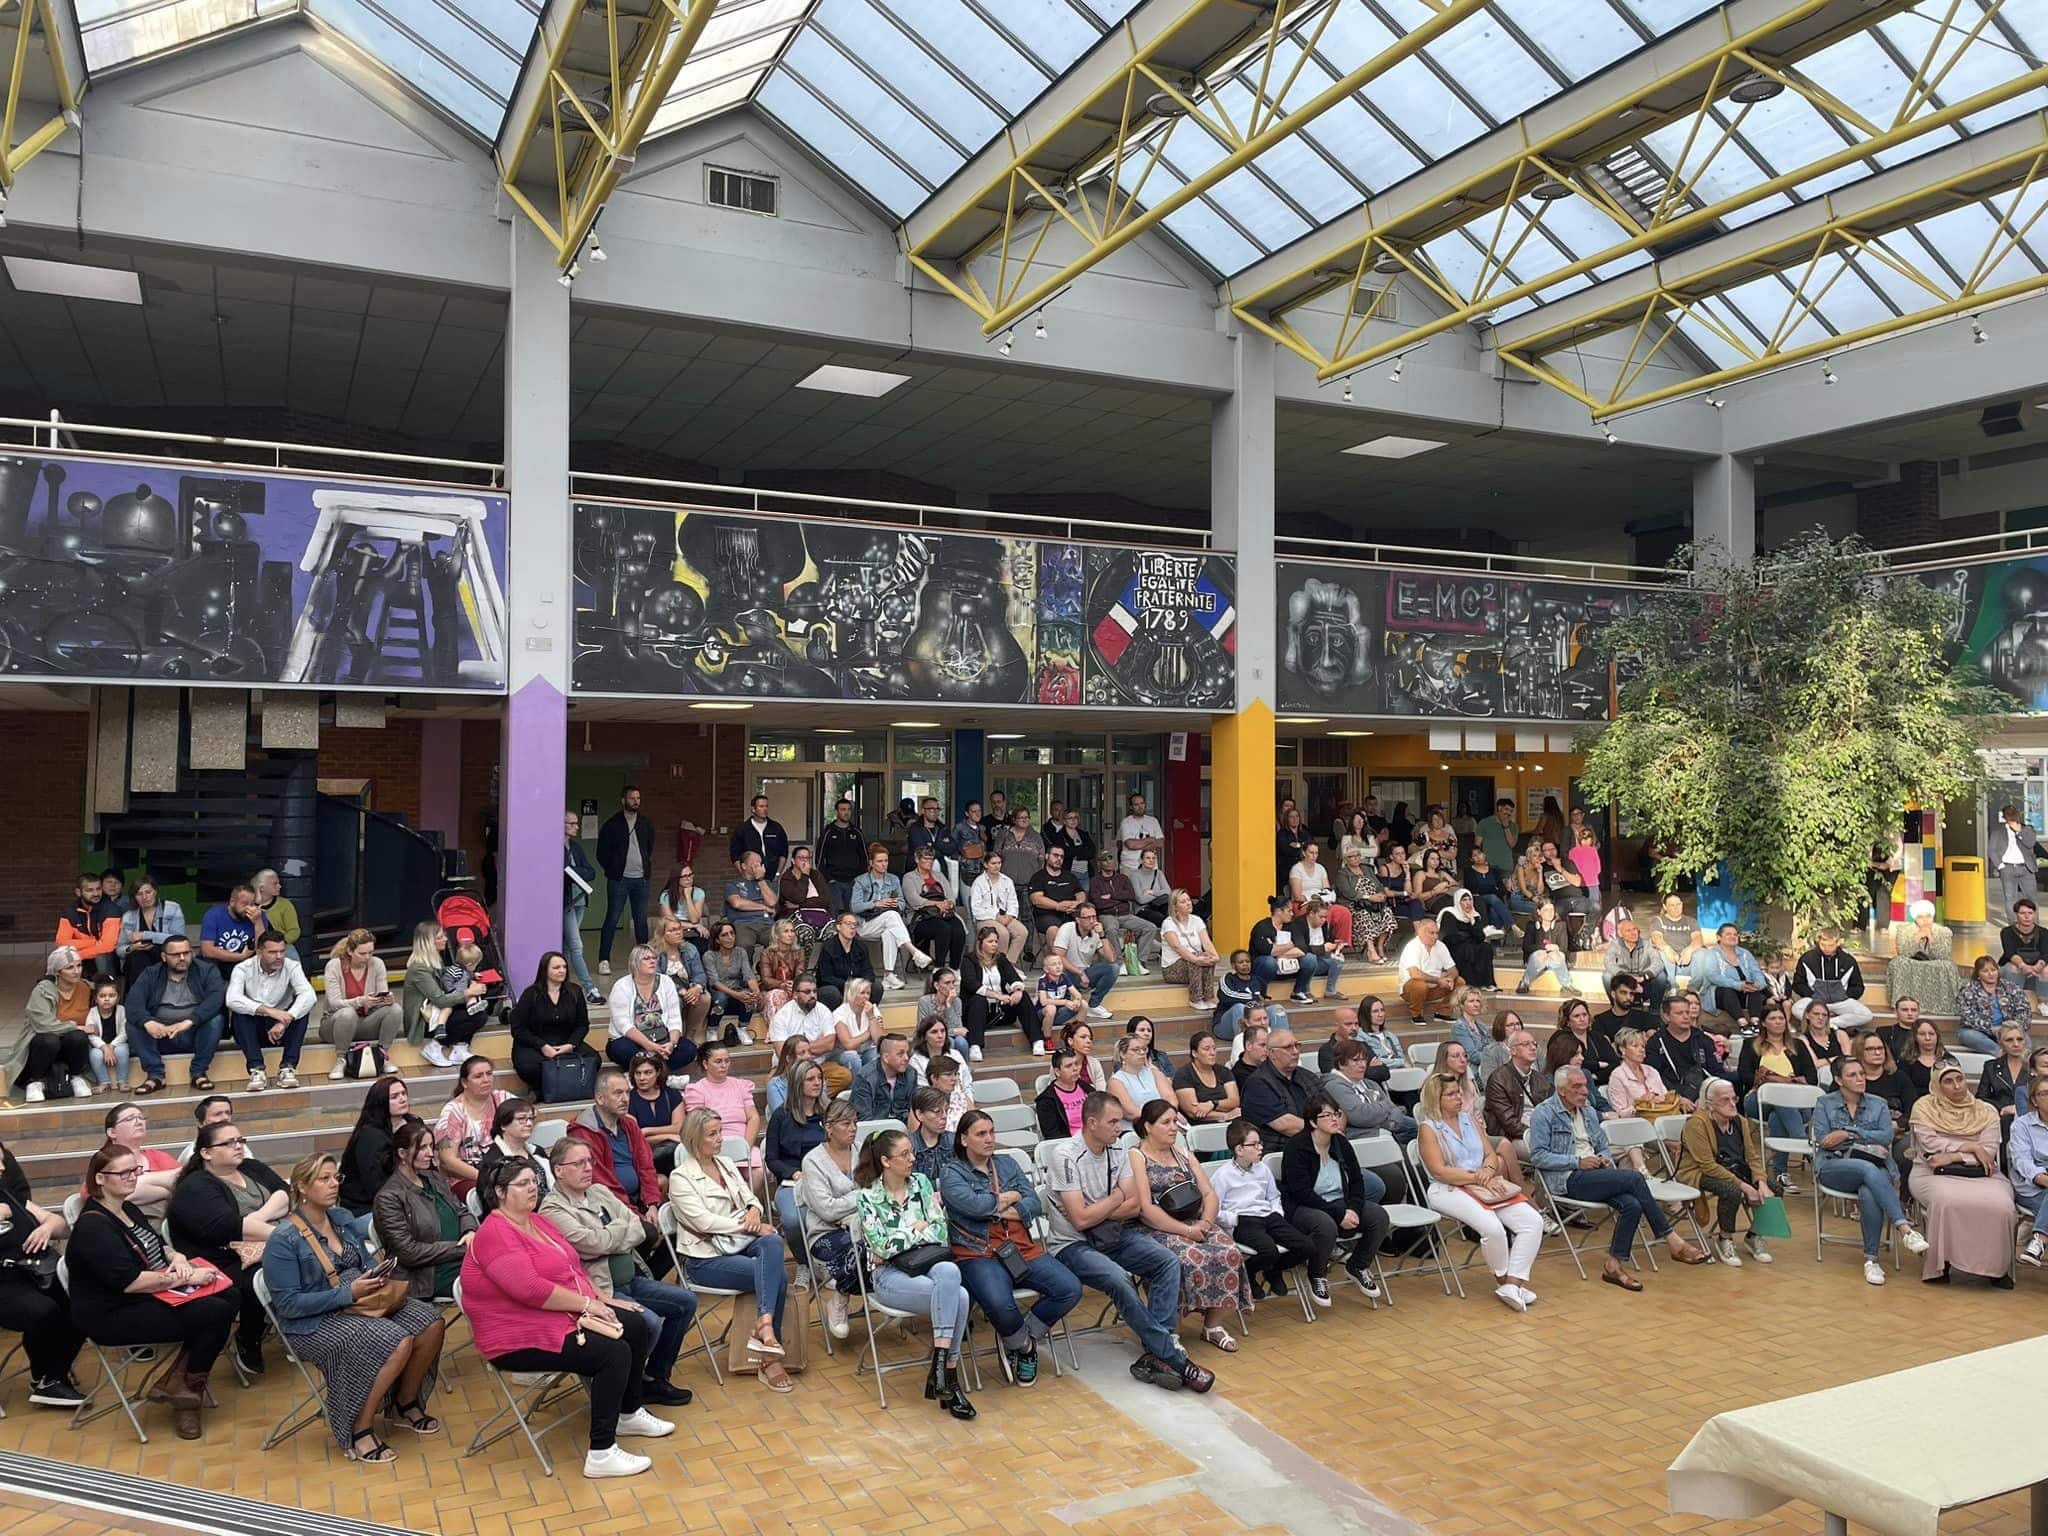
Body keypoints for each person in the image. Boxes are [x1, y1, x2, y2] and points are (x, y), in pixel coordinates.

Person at [461, 1159, 672, 1477]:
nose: (533, 1188)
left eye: (534, 1180)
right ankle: (601, 1453)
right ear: (500, 1192)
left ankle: (628, 1413)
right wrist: (588, 1304)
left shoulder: (537, 1222)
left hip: (553, 1314)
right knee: (613, 1353)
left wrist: (603, 1300)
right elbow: (530, 1289)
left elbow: (572, 1269)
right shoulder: (495, 1233)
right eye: (523, 1183)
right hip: (514, 1336)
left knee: (635, 1323)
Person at [262, 1151, 448, 1462]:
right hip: (314, 1320)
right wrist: (349, 1293)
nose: (334, 1184)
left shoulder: (342, 1219)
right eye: (324, 1179)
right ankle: (359, 1429)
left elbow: (362, 1261)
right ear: (302, 1187)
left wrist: (376, 1274)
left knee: (431, 1323)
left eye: (337, 1177)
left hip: (361, 1299)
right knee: (395, 1341)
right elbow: (289, 1305)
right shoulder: (284, 1238)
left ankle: (403, 1403)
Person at [68, 1143, 241, 1439]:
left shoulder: (127, 1208)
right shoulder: (94, 1226)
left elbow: (156, 1245)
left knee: (230, 1294)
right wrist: (186, 1279)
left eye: (134, 1171)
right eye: (122, 1173)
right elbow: (131, 1282)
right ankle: (187, 1397)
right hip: (111, 1313)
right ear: (99, 1178)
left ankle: (180, 1385)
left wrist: (177, 1258)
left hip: (146, 1295)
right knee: (215, 1311)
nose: (132, 1177)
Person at [1045, 1093, 1213, 1393]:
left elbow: (1135, 1206)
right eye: (1112, 1122)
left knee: (1166, 1261)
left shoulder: (1118, 1149)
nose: (1119, 1128)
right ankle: (1173, 1358)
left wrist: (1099, 1206)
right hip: (1072, 1245)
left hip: (1113, 1234)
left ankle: (1157, 1354)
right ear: (1091, 1122)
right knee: (1120, 1280)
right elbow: (1080, 1222)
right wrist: (1116, 1199)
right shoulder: (1065, 1155)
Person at [541, 1138, 699, 1408]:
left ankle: (654, 1377)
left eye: (590, 1161)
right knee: (648, 1323)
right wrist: (616, 1232)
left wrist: (608, 1236)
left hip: (633, 1279)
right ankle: (628, 1387)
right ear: (559, 1170)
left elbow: (637, 1229)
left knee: (685, 1302)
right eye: (579, 1163)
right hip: (602, 1290)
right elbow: (592, 1244)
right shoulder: (553, 1209)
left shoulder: (600, 1191)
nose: (588, 1168)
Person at [1527, 1067, 1705, 1288]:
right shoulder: (1544, 1113)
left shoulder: (1589, 1112)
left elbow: (1603, 1146)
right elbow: (1538, 1156)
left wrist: (1602, 1158)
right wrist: (1577, 1162)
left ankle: (1614, 1265)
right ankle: (1672, 1239)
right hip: (1567, 1179)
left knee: (1632, 1204)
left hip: (1598, 1175)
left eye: (1585, 1085)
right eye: (1577, 1087)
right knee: (1633, 1178)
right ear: (1561, 1090)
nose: (1584, 1091)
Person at [939, 1110, 1078, 1385]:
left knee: (1069, 1288)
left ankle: (1020, 1337)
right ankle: (1025, 1348)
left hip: (1019, 1247)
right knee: (1001, 1305)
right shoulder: (951, 1172)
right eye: (981, 1134)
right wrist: (1010, 1198)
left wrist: (995, 1205)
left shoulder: (1008, 1165)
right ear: (964, 1139)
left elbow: (1035, 1204)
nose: (990, 1139)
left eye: (992, 1132)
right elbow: (976, 1208)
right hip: (977, 1253)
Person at [851, 1129, 975, 1418]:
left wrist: (902, 1236)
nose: (912, 1158)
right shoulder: (867, 1197)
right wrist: (916, 1229)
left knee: (949, 1270)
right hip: (888, 1276)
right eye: (904, 1154)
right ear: (885, 1160)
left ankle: (942, 1369)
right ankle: (948, 1376)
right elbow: (881, 1246)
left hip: (927, 1264)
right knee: (960, 1296)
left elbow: (940, 1231)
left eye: (911, 1152)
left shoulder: (920, 1183)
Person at [668, 1109, 792, 1392]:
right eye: (712, 1134)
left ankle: (764, 1325)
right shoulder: (680, 1177)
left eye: (720, 1131)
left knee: (773, 1244)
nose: (721, 1139)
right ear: (694, 1138)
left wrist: (753, 1211)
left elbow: (752, 1198)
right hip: (705, 1259)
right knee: (777, 1275)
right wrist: (749, 1226)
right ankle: (770, 1357)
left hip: (739, 1245)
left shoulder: (724, 1163)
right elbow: (704, 1221)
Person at [167, 1117, 289, 1377]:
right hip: (220, 1260)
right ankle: (248, 1337)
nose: (238, 1146)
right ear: (206, 1153)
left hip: (262, 1240)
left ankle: (296, 1325)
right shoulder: (197, 1185)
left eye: (240, 1140)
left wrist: (259, 1218)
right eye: (229, 1142)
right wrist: (287, 1238)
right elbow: (230, 1228)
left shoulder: (251, 1167)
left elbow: (284, 1192)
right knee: (268, 1273)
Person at [1417, 1070, 1545, 1312]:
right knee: (1493, 1227)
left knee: (1532, 1220)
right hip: (1448, 1188)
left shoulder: (1469, 1119)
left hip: (1484, 1182)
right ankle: (1504, 1279)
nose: (1459, 1098)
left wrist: (1487, 1169)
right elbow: (1439, 1171)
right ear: (1437, 1099)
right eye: (1451, 1094)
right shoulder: (1429, 1128)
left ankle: (1513, 1283)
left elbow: (1490, 1154)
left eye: (1459, 1092)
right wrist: (1477, 1176)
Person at [1130, 1101, 1252, 1348]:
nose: (1174, 1128)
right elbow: (1145, 1208)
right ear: (1148, 1127)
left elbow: (1209, 1194)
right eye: (1166, 1122)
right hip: (1157, 1226)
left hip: (1196, 1221)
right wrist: (1186, 1231)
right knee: (1183, 1259)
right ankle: (1172, 1329)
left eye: (1175, 1121)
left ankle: (1213, 1325)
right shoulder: (1137, 1155)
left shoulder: (1183, 1153)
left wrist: (1206, 1223)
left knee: (1229, 1252)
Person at [1809, 1058, 1929, 1286]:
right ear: (1838, 1080)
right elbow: (1824, 1140)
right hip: (1834, 1166)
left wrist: (1847, 1133)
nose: (1860, 1078)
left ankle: (1871, 1261)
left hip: (1874, 1165)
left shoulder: (1878, 1103)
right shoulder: (1824, 1103)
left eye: (1861, 1074)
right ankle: (1905, 1229)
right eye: (1852, 1075)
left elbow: (1886, 1137)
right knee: (1867, 1169)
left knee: (1869, 1191)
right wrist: (1863, 1135)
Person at [1907, 1062, 2016, 1286]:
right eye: (1948, 1081)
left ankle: (1996, 1268)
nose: (1957, 1086)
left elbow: (1989, 1151)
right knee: (1947, 1201)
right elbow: (1930, 1147)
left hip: (1984, 1173)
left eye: (1960, 1079)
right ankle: (1942, 1264)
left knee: (2002, 1204)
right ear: (1937, 1085)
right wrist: (1971, 1148)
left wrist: (1954, 1156)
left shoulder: (1985, 1110)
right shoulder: (1924, 1107)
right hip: (1932, 1173)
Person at [1277, 1091, 1390, 1306]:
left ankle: (1357, 1265)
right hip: (1304, 1206)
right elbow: (1301, 1192)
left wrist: (1354, 1209)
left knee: (1378, 1216)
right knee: (1326, 1225)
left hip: (1340, 1202)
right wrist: (1340, 1213)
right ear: (1312, 1121)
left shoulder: (1340, 1143)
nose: (1334, 1119)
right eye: (1327, 1115)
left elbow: (1357, 1181)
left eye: (1336, 1114)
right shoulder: (1296, 1148)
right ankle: (1317, 1274)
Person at [0, 1133, 85, 1408]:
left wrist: (46, 1227)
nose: (3, 1168)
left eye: (3, 1161)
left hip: (36, 1272)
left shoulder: (8, 1195)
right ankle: (45, 1376)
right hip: (5, 1282)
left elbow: (60, 1225)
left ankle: (51, 1377)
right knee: (43, 1311)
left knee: (86, 1304)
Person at [1208, 1121, 1314, 1300]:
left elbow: (1273, 1196)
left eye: (1260, 1143)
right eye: (1254, 1144)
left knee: (1306, 1246)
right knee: (1269, 1251)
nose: (1260, 1148)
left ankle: (1273, 1270)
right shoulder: (1223, 1175)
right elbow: (1214, 1210)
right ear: (1239, 1149)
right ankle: (1249, 1273)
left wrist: (1277, 1213)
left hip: (1268, 1216)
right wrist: (1235, 1219)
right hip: (1244, 1220)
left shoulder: (1262, 1168)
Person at [1734, 1002, 1823, 1189]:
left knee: (1778, 1116)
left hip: (1797, 1105)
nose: (1778, 1022)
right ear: (1764, 1023)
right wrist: (1776, 1081)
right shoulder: (1751, 1044)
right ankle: (1802, 1141)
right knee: (1780, 1100)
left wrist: (1784, 1081)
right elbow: (1744, 1076)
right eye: (1772, 1019)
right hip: (1758, 1101)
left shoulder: (1797, 1045)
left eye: (1781, 1018)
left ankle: (1780, 1173)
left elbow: (1813, 1077)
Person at [796, 1097, 862, 1340]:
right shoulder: (813, 1161)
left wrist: (859, 1200)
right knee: (860, 1251)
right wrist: (860, 1197)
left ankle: (844, 1292)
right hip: (825, 1234)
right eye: (846, 1123)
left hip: (862, 1227)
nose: (853, 1128)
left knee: (884, 1246)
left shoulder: (861, 1151)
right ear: (828, 1127)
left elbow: (878, 1192)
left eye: (855, 1122)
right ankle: (840, 1300)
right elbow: (827, 1211)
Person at [223, 932, 315, 1093]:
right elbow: (232, 999)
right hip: (253, 1029)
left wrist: (286, 1019)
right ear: (259, 952)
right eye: (272, 952)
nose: (279, 956)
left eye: (282, 951)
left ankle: (288, 1068)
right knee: (241, 1013)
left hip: (282, 1028)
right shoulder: (243, 968)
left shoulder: (291, 965)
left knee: (302, 1010)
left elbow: (309, 995)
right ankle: (256, 1070)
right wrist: (269, 1011)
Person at [8, 946, 96, 1103]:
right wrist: (75, 1026)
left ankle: (75, 1077)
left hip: (69, 1045)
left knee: (78, 1037)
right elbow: (43, 1025)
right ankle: (35, 1081)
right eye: (70, 967)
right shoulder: (43, 990)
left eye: (79, 965)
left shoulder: (86, 987)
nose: (76, 971)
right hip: (43, 1047)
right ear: (57, 972)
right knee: (50, 1040)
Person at [509, 951, 600, 1100]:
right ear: (545, 970)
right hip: (535, 1044)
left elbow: (582, 1025)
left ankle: (567, 1087)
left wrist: (571, 1045)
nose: (562, 970)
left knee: (594, 1059)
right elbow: (518, 1029)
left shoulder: (575, 992)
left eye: (564, 967)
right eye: (556, 967)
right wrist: (542, 1046)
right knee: (529, 1066)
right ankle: (542, 1090)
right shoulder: (530, 994)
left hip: (566, 1042)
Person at [401, 921, 488, 1068]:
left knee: (479, 1014)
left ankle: (460, 1048)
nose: (446, 939)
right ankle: (434, 1046)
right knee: (468, 1016)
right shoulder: (418, 969)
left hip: (438, 1013)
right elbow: (440, 1000)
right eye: (440, 937)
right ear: (429, 942)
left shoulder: (435, 961)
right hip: (424, 1021)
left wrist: (470, 977)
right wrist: (468, 992)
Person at [321, 929, 401, 1082]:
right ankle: (341, 1059)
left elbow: (381, 994)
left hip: (365, 1021)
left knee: (395, 1010)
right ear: (350, 951)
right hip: (334, 1024)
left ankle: (382, 1055)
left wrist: (385, 1000)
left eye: (370, 952)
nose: (367, 957)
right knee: (347, 1013)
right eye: (362, 953)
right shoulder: (334, 966)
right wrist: (360, 1001)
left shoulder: (377, 964)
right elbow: (334, 1003)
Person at [605, 943, 693, 1078]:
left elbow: (675, 1018)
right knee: (621, 1049)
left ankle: (648, 1074)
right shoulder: (621, 986)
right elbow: (623, 1024)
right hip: (634, 1041)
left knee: (689, 1049)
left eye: (654, 958)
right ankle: (662, 1076)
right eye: (646, 959)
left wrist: (672, 1043)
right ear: (635, 963)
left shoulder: (666, 981)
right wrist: (649, 1046)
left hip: (662, 1039)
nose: (652, 961)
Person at [595, 786, 655, 975]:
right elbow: (601, 853)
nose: (636, 801)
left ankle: (644, 959)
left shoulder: (645, 823)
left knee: (641, 920)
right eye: (631, 798)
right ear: (623, 801)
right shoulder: (612, 824)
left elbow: (649, 846)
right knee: (612, 918)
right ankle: (604, 959)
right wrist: (613, 870)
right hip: (619, 879)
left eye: (638, 798)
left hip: (641, 879)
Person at [853, 844, 927, 991]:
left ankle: (889, 975)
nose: (884, 864)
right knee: (892, 917)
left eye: (886, 861)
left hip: (886, 922)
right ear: (871, 863)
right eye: (880, 861)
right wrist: (876, 903)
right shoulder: (861, 881)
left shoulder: (893, 879)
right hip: (865, 925)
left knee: (890, 931)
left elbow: (901, 902)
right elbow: (855, 906)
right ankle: (914, 952)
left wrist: (893, 903)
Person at [435, 1055, 510, 1199]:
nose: (486, 1080)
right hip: (466, 1178)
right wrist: (486, 1178)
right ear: (464, 1082)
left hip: (504, 1170)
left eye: (489, 1074)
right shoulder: (453, 1112)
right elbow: (447, 1160)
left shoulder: (502, 1098)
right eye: (478, 1076)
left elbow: (530, 1112)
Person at [1250, 896, 1340, 1007]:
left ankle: (1298, 992)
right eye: (1289, 911)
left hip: (1288, 965)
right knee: (1269, 961)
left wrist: (1277, 949)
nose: (1292, 914)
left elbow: (1302, 949)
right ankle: (1258, 993)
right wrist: (1288, 946)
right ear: (1279, 911)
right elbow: (1266, 950)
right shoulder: (1262, 927)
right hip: (1266, 967)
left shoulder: (1291, 926)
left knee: (1310, 958)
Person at [1239, 1029, 1322, 1142]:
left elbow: (1334, 1109)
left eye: (1297, 1045)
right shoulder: (1257, 1084)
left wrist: (1331, 1127)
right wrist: (1325, 1130)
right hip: (1279, 1149)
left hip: (1318, 1142)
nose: (1295, 1051)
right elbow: (1287, 1126)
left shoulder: (1308, 1076)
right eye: (1288, 1047)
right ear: (1272, 1053)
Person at [961, 925, 1031, 1060]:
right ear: (980, 943)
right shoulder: (968, 960)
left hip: (1000, 1011)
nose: (994, 945)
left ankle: (1037, 1040)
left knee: (1024, 996)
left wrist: (1017, 990)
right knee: (978, 999)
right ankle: (975, 1046)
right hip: (978, 1012)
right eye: (990, 941)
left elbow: (1013, 976)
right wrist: (997, 995)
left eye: (996, 941)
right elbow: (971, 984)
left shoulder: (1001, 958)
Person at [1791, 928, 1873, 1034]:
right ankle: (1830, 1025)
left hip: (1841, 1002)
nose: (1826, 949)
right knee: (1796, 1009)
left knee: (1866, 1015)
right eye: (1823, 945)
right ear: (1818, 942)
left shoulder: (1848, 961)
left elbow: (1858, 987)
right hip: (1815, 1000)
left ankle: (1829, 1023)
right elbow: (1798, 984)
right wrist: (1812, 994)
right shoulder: (1807, 959)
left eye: (1830, 945)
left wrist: (1845, 995)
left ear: (1838, 943)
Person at [1886, 900, 1958, 1019]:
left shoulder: (1943, 931)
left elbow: (1943, 955)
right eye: (1921, 917)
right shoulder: (1904, 930)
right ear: (1915, 918)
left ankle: (1943, 1006)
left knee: (1948, 966)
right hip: (1912, 962)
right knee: (1897, 963)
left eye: (1928, 916)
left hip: (1934, 962)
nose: (1925, 920)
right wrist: (1917, 937)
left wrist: (1931, 938)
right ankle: (1902, 1004)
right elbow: (1903, 953)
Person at [902, 845, 968, 972]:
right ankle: (939, 968)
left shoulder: (939, 875)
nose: (929, 862)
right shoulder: (909, 877)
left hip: (944, 913)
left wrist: (948, 905)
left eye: (931, 859)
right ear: (917, 860)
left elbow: (950, 896)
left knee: (958, 929)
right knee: (943, 929)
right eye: (925, 859)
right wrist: (936, 904)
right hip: (921, 917)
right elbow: (915, 901)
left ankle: (955, 969)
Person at [476, 1098, 552, 1206]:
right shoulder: (493, 1161)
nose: (529, 1123)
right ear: (503, 1125)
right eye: (522, 1119)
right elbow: (490, 1203)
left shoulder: (538, 1151)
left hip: (549, 1209)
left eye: (531, 1118)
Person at [1092, 852, 1162, 968]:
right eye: (1105, 860)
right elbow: (1098, 903)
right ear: (1100, 863)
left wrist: (1111, 895)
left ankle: (1140, 961)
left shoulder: (1122, 878)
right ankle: (1119, 962)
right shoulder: (1095, 881)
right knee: (1111, 930)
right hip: (1107, 915)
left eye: (1111, 859)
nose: (1109, 862)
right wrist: (1119, 899)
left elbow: (1130, 895)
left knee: (1150, 927)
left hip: (1126, 914)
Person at [650, 914, 714, 1042]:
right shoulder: (654, 951)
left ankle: (689, 1036)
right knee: (675, 1000)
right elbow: (657, 978)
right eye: (672, 930)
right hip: (663, 991)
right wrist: (681, 991)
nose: (678, 933)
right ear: (662, 933)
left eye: (679, 929)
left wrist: (697, 987)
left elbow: (700, 974)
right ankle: (672, 1036)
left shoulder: (690, 949)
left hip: (688, 988)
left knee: (705, 998)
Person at [1054, 905, 1125, 1018]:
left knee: (1114, 968)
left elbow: (1111, 958)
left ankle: (1093, 1005)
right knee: (1061, 1015)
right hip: (1065, 974)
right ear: (1078, 919)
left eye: (1094, 917)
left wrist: (1102, 935)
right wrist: (1080, 973)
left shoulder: (1096, 933)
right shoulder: (1067, 928)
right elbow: (1059, 956)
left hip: (1085, 973)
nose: (1092, 921)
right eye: (1087, 918)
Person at [2006, 1076, 2048, 1267]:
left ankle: (2039, 1241)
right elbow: (2022, 1161)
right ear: (2034, 1100)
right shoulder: (2022, 1125)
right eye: (2044, 1094)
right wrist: (2042, 1178)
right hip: (2031, 1185)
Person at [117, 878, 186, 992]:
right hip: (138, 961)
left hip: (166, 955)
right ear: (134, 897)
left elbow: (178, 940)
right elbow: (119, 950)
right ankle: (138, 1000)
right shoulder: (129, 917)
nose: (145, 897)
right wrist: (131, 948)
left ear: (155, 891)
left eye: (148, 892)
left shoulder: (172, 908)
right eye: (139, 894)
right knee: (137, 957)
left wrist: (145, 935)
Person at [1483, 1027, 1550, 1143]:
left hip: (1542, 1132)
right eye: (1526, 1044)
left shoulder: (1539, 1078)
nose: (1533, 1048)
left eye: (1534, 1044)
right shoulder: (1498, 1079)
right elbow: (1509, 1123)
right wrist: (1536, 1134)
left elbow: (1550, 1110)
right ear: (1513, 1050)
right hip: (1513, 1137)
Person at [563, 812, 603, 1003]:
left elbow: (591, 872)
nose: (576, 827)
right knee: (577, 945)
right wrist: (572, 872)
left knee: (568, 948)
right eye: (572, 823)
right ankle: (590, 988)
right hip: (566, 903)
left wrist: (572, 871)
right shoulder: (555, 847)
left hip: (579, 900)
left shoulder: (575, 847)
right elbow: (560, 870)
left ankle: (561, 984)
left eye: (576, 823)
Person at [1957, 954, 2032, 1057]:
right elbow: (1967, 1016)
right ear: (1978, 974)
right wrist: (1991, 1029)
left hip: (2009, 1029)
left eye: (1993, 970)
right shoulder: (1968, 989)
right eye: (1985, 971)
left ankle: (2023, 1061)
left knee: (2025, 1040)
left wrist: (2010, 1028)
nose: (1990, 974)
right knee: (1966, 1035)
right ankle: (2001, 1054)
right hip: (1981, 1031)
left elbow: (2024, 1010)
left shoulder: (2011, 987)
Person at [1690, 924, 1767, 1024]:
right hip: (1720, 995)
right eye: (1728, 934)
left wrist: (1758, 984)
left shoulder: (1745, 953)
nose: (1733, 937)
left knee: (1755, 991)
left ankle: (1755, 1022)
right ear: (1719, 937)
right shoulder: (1711, 954)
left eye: (1735, 934)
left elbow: (1756, 972)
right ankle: (1742, 1023)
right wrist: (1738, 985)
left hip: (1744, 992)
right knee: (1728, 991)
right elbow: (1713, 976)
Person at [197, 883, 264, 984]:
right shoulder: (213, 915)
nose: (249, 908)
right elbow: (207, 951)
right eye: (244, 904)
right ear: (232, 902)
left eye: (252, 904)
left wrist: (258, 923)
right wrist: (241, 956)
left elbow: (263, 947)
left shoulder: (258, 916)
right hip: (218, 962)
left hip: (247, 964)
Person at [1394, 917, 1458, 1024]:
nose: (1435, 936)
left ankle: (1443, 1012)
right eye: (1431, 933)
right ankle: (1416, 1014)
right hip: (1411, 990)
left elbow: (1453, 969)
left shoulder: (1441, 946)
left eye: (1437, 933)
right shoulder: (1412, 947)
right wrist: (1438, 980)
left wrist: (1450, 978)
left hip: (1434, 988)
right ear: (1420, 932)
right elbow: (1415, 974)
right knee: (1419, 984)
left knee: (1459, 981)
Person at [811, 910, 874, 1014]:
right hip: (837, 987)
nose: (852, 927)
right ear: (838, 927)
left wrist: (862, 985)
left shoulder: (861, 947)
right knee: (831, 993)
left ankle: (866, 1016)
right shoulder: (828, 947)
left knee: (876, 987)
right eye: (848, 924)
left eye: (855, 924)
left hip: (857, 987)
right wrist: (850, 986)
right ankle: (836, 1021)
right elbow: (826, 977)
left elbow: (868, 971)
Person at [1174, 1030, 1242, 1125]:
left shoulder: (1224, 1071)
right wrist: (1224, 1116)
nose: (1212, 1053)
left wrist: (1212, 1104)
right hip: (1200, 1126)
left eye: (1214, 1048)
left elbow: (1234, 1101)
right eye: (1206, 1049)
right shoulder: (1184, 1074)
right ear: (1194, 1053)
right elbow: (1193, 1111)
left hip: (1230, 1123)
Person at [775, 844, 833, 953]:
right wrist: (805, 876)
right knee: (806, 934)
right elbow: (798, 897)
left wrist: (801, 905)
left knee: (835, 934)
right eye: (801, 858)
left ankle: (824, 967)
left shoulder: (816, 875)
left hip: (820, 916)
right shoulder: (787, 878)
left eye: (807, 858)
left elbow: (825, 900)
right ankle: (802, 969)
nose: (805, 861)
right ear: (793, 861)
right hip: (795, 917)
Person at [1106, 1032, 1175, 1120]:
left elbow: (1171, 1098)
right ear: (1123, 1054)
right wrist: (1161, 1118)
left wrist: (1169, 1114)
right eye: (1136, 1049)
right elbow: (1132, 1112)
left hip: (1165, 1122)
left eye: (1144, 1049)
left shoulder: (1155, 1073)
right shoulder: (1116, 1081)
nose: (1142, 1052)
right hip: (1134, 1129)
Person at [1603, 918, 1669, 1009]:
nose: (1633, 933)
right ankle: (1616, 1006)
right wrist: (1624, 976)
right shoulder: (1615, 945)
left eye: (1635, 929)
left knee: (1661, 976)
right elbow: (1608, 962)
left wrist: (1645, 976)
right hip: (1623, 980)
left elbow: (1658, 962)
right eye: (1628, 931)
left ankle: (1655, 1010)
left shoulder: (1647, 944)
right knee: (1607, 976)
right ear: (1620, 934)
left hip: (1643, 980)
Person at [1994, 802, 2043, 921]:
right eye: (2008, 816)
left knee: (2032, 898)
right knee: (2010, 897)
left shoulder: (2028, 829)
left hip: (2026, 868)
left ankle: (2034, 924)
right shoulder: (1998, 832)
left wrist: (2019, 831)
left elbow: (2030, 843)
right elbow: (1992, 849)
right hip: (2008, 868)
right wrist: (2000, 865)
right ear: (2005, 817)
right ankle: (2013, 925)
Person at [852, 1032, 917, 1122]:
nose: (906, 1058)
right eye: (900, 1054)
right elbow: (864, 1119)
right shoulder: (865, 1078)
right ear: (886, 1057)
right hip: (875, 1130)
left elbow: (914, 1112)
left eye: (908, 1053)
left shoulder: (911, 1074)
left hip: (904, 1129)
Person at [1437, 890, 1493, 993]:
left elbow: (1480, 937)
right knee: (1467, 949)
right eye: (1464, 900)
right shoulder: (1449, 913)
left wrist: (1472, 921)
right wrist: (1469, 937)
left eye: (1470, 899)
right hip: (1454, 946)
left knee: (1486, 947)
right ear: (1458, 901)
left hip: (1469, 944)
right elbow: (1451, 936)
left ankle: (1485, 983)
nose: (1468, 903)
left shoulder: (1475, 915)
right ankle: (1470, 984)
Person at [720, 854, 777, 955]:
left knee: (780, 942)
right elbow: (737, 903)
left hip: (766, 924)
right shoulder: (732, 884)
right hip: (743, 924)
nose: (758, 865)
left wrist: (760, 880)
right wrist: (763, 907)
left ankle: (766, 967)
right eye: (754, 863)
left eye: (759, 863)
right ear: (744, 866)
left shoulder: (766, 883)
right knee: (744, 946)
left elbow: (772, 902)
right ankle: (747, 970)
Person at [1516, 898, 1574, 996]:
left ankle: (1567, 985)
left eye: (1551, 910)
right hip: (1536, 960)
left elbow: (1563, 948)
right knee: (1541, 954)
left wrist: (1556, 948)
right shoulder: (1532, 925)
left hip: (1554, 960)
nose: (1550, 913)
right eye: (1546, 910)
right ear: (1539, 912)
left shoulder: (1561, 925)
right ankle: (1524, 983)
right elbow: (1526, 947)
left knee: (1556, 955)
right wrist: (1545, 947)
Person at [1999, 897, 2048, 1010]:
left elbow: (2046, 954)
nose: (2027, 916)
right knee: (2013, 968)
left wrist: (2037, 967)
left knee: (2046, 970)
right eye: (2023, 913)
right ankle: (2014, 1001)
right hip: (2015, 964)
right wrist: (2023, 966)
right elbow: (2010, 953)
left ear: (2034, 914)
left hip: (2036, 966)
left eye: (2030, 913)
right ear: (2016, 914)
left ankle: (2044, 1003)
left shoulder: (2043, 932)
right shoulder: (2007, 932)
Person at [1981, 1022, 2032, 1127]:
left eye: (2020, 1039)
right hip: (2000, 1118)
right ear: (2000, 1043)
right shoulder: (1991, 1067)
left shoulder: (2035, 1066)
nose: (2016, 1044)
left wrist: (2018, 1108)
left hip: (2031, 1118)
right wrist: (2003, 1108)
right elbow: (1982, 1098)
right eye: (2009, 1040)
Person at [914, 971, 970, 1064]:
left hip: (948, 1036)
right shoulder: (925, 1001)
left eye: (953, 982)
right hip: (926, 1038)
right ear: (936, 985)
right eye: (947, 983)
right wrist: (952, 1031)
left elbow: (958, 1028)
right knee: (950, 1041)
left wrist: (948, 1005)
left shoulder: (956, 1001)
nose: (952, 986)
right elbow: (923, 1029)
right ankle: (942, 1070)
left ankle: (963, 1071)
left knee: (961, 1042)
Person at [755, 920, 807, 1021]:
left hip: (793, 989)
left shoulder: (799, 952)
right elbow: (766, 979)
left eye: (792, 931)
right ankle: (777, 1033)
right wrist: (782, 985)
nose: (790, 934)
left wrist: (794, 985)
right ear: (777, 935)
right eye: (786, 931)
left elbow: (800, 974)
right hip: (771, 990)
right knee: (776, 995)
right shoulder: (767, 953)